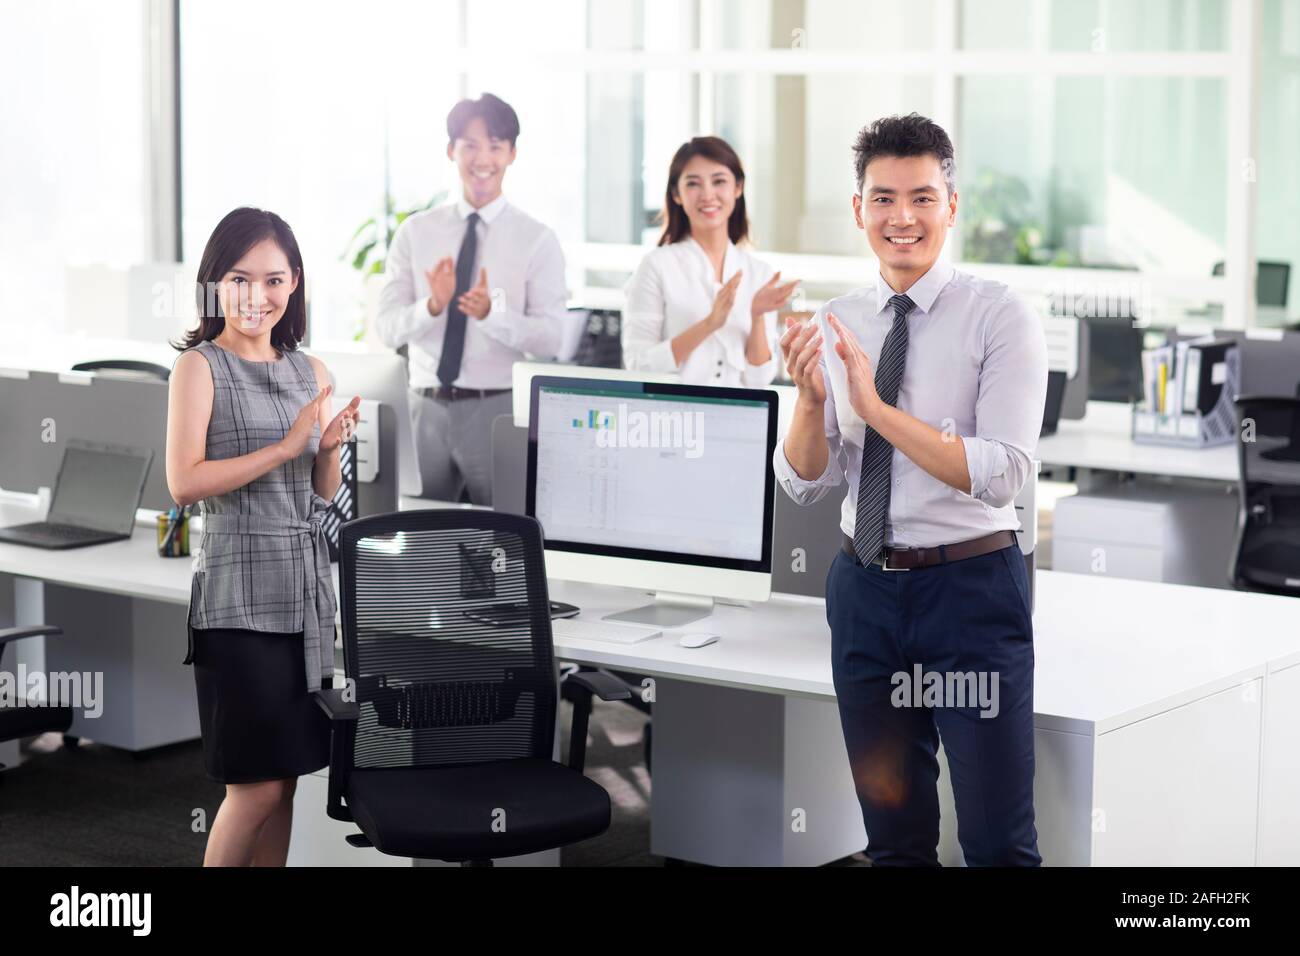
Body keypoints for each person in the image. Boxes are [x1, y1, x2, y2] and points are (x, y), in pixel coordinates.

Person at [774, 113, 1047, 866]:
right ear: (858, 208)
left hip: (968, 595)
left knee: (996, 842)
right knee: (893, 842)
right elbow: (806, 483)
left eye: (922, 198)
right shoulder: (836, 320)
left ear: (951, 207)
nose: (903, 217)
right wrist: (808, 403)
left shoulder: (1000, 316)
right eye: (884, 198)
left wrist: (875, 410)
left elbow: (1003, 471)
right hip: (863, 593)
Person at [166, 207, 361, 867]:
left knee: (286, 784)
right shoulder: (200, 368)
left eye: (274, 280)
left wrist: (327, 448)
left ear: (295, 282)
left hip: (302, 598)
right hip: (237, 600)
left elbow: (321, 496)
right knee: (254, 789)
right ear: (214, 283)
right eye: (240, 279)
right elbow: (184, 483)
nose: (258, 296)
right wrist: (286, 445)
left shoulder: (313, 372)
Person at [376, 93, 567, 504]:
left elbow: (551, 340)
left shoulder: (537, 240)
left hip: (497, 409)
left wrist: (491, 314)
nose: (483, 159)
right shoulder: (416, 232)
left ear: (512, 154)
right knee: (418, 531)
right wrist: (432, 306)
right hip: (424, 408)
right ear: (451, 150)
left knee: (503, 533)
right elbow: (386, 328)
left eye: (495, 146)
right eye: (470, 145)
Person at [622, 136, 799, 387]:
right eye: (693, 183)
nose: (707, 194)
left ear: (738, 187)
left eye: (719, 181)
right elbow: (638, 365)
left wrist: (757, 315)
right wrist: (710, 324)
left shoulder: (759, 273)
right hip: (673, 409)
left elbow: (759, 380)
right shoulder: (656, 266)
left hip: (739, 409)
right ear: (677, 194)